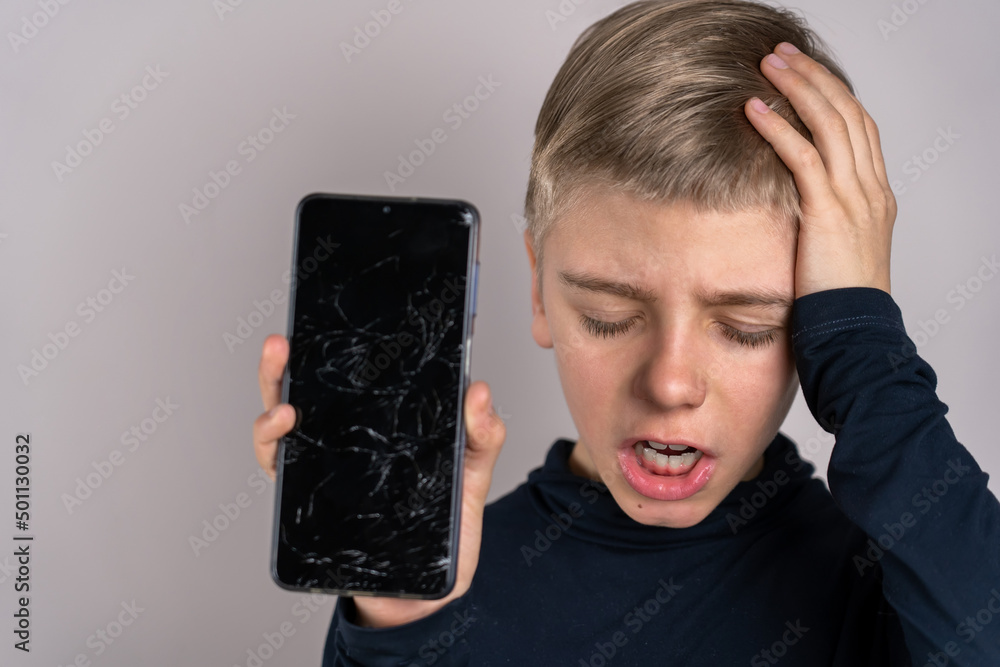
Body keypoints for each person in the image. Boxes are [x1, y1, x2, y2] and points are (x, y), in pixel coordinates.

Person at [253, 0, 1000, 664]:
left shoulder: (889, 588)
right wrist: (403, 623)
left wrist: (864, 347)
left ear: (815, 325)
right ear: (541, 291)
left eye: (745, 326)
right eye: (610, 315)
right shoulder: (434, 595)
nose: (670, 381)